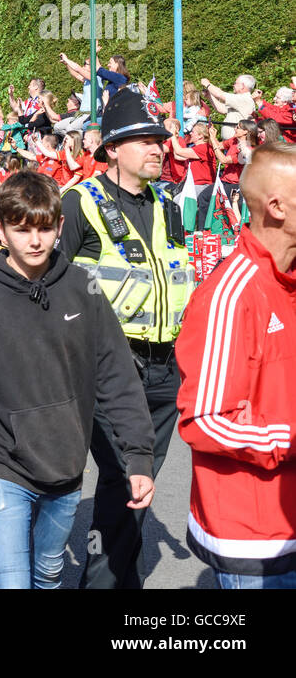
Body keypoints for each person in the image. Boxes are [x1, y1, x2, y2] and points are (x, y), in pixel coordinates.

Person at [0, 172, 155, 588]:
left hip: (64, 466)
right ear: (0, 230)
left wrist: (138, 455)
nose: (34, 241)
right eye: (21, 229)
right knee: (12, 582)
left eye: (45, 228)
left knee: (47, 573)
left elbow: (118, 376)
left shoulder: (86, 288)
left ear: (60, 227)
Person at [58, 86, 190, 589]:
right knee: (121, 480)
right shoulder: (79, 202)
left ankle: (118, 580)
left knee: (140, 484)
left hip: (164, 370)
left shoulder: (168, 206)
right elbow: (45, 283)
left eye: (160, 138)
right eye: (144, 140)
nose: (159, 148)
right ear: (112, 148)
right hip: (110, 368)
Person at [175, 142, 296, 587]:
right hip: (257, 536)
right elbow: (204, 422)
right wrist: (286, 435)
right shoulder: (231, 294)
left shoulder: (288, 279)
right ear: (277, 207)